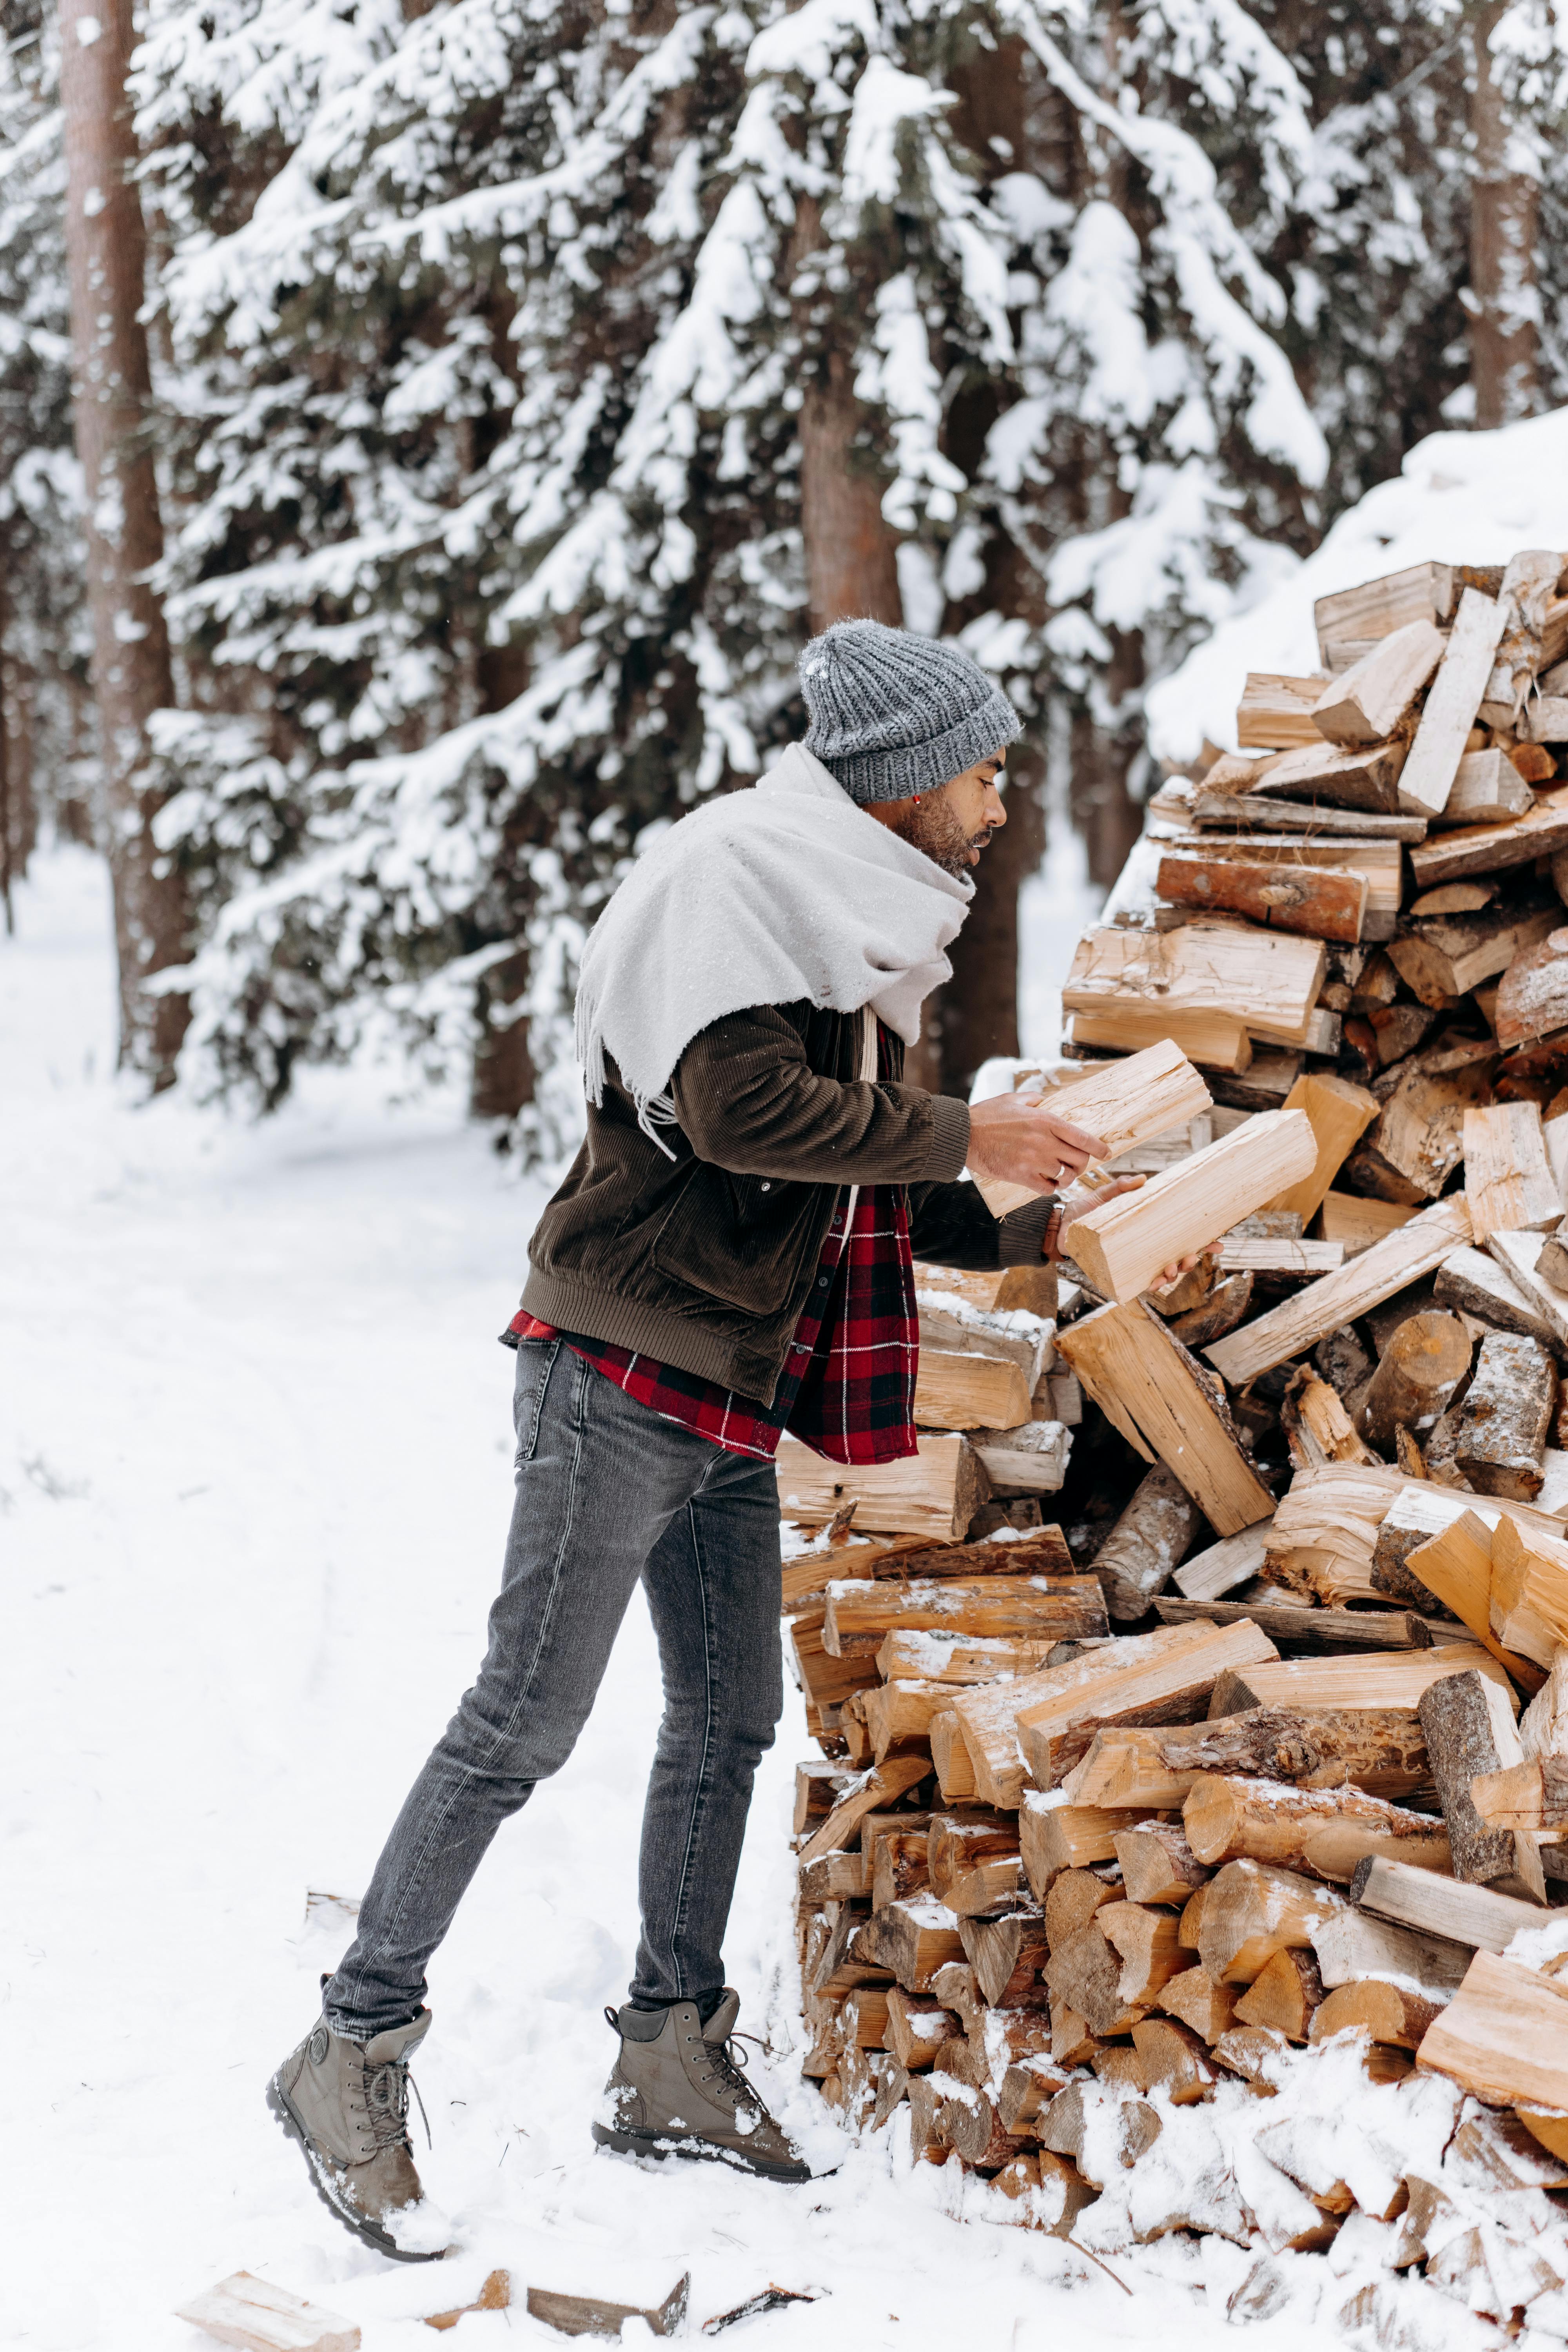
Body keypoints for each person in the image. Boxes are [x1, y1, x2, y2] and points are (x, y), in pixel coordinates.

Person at [267, 619, 1162, 2258]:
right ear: (900, 781)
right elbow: (745, 1113)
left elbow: (849, 1185)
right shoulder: (730, 885)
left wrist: (1035, 1216)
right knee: (522, 1721)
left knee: (729, 1719)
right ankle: (354, 2042)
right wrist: (966, 1128)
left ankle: (668, 2051)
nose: (996, 801)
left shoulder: (837, 922)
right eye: (979, 771)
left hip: (727, 1390)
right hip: (613, 1368)